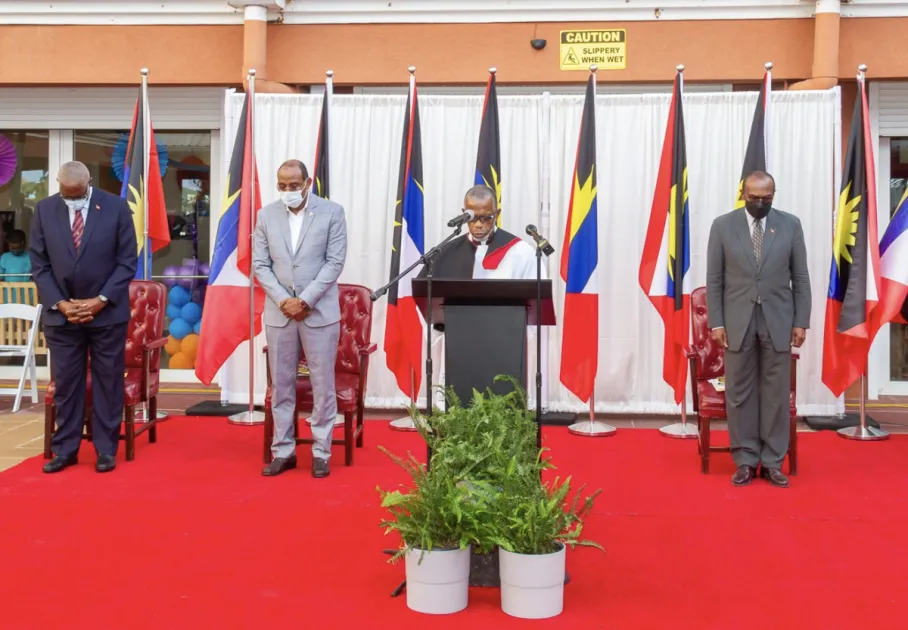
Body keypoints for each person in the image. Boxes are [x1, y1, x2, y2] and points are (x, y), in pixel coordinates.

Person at [30, 161, 138, 474]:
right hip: (62, 316)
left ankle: (106, 450)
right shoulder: (44, 209)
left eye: (77, 194)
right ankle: (65, 449)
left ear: (88, 184)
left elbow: (126, 261)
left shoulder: (116, 207)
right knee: (66, 384)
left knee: (107, 382)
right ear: (59, 186)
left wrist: (100, 300)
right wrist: (61, 303)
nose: (72, 200)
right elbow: (40, 264)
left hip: (107, 314)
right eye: (66, 194)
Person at [706, 170, 811, 488]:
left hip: (778, 320)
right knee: (739, 394)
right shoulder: (723, 225)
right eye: (754, 198)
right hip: (737, 322)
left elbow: (801, 277)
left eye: (767, 198)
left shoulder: (790, 224)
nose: (760, 204)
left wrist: (801, 321)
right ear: (743, 194)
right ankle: (745, 460)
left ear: (774, 195)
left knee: (776, 394)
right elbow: (715, 280)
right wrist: (717, 322)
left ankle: (773, 461)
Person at [253, 159, 347, 478]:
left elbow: (334, 263)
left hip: (318, 312)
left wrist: (304, 300)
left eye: (294, 185)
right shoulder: (266, 216)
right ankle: (283, 450)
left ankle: (321, 451)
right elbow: (260, 265)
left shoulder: (332, 212)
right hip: (280, 314)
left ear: (308, 183)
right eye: (283, 185)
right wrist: (284, 300)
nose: (288, 191)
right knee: (281, 385)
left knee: (322, 384)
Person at [421, 185, 540, 281]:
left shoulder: (521, 251)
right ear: (464, 213)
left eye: (486, 218)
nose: (478, 224)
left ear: (496, 214)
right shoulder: (446, 253)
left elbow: (537, 301)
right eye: (472, 217)